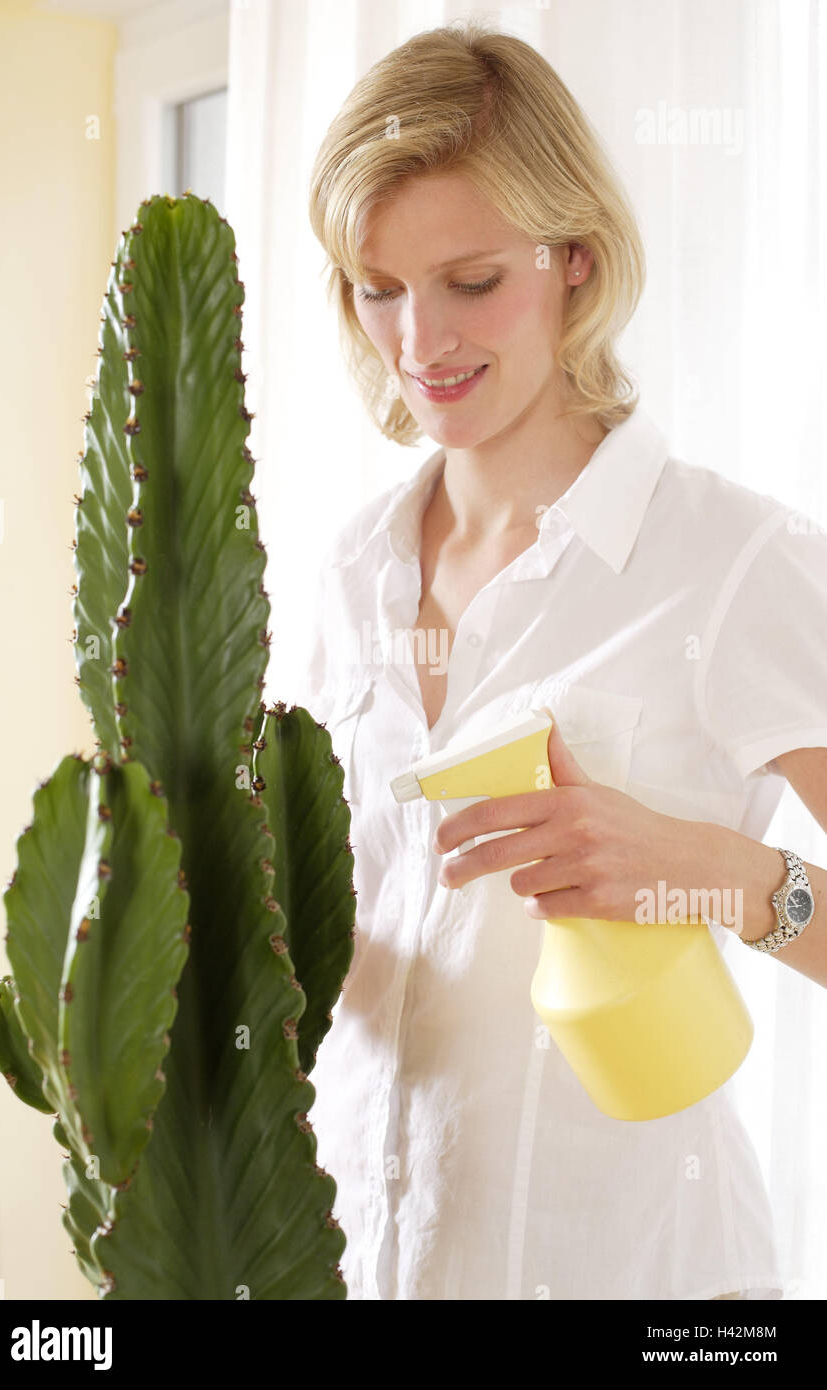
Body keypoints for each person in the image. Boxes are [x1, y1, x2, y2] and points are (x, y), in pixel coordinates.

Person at [299, 20, 827, 1300]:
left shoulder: (734, 562)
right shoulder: (349, 572)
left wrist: (738, 880)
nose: (417, 340)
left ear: (575, 262)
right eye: (377, 286)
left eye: (471, 280)